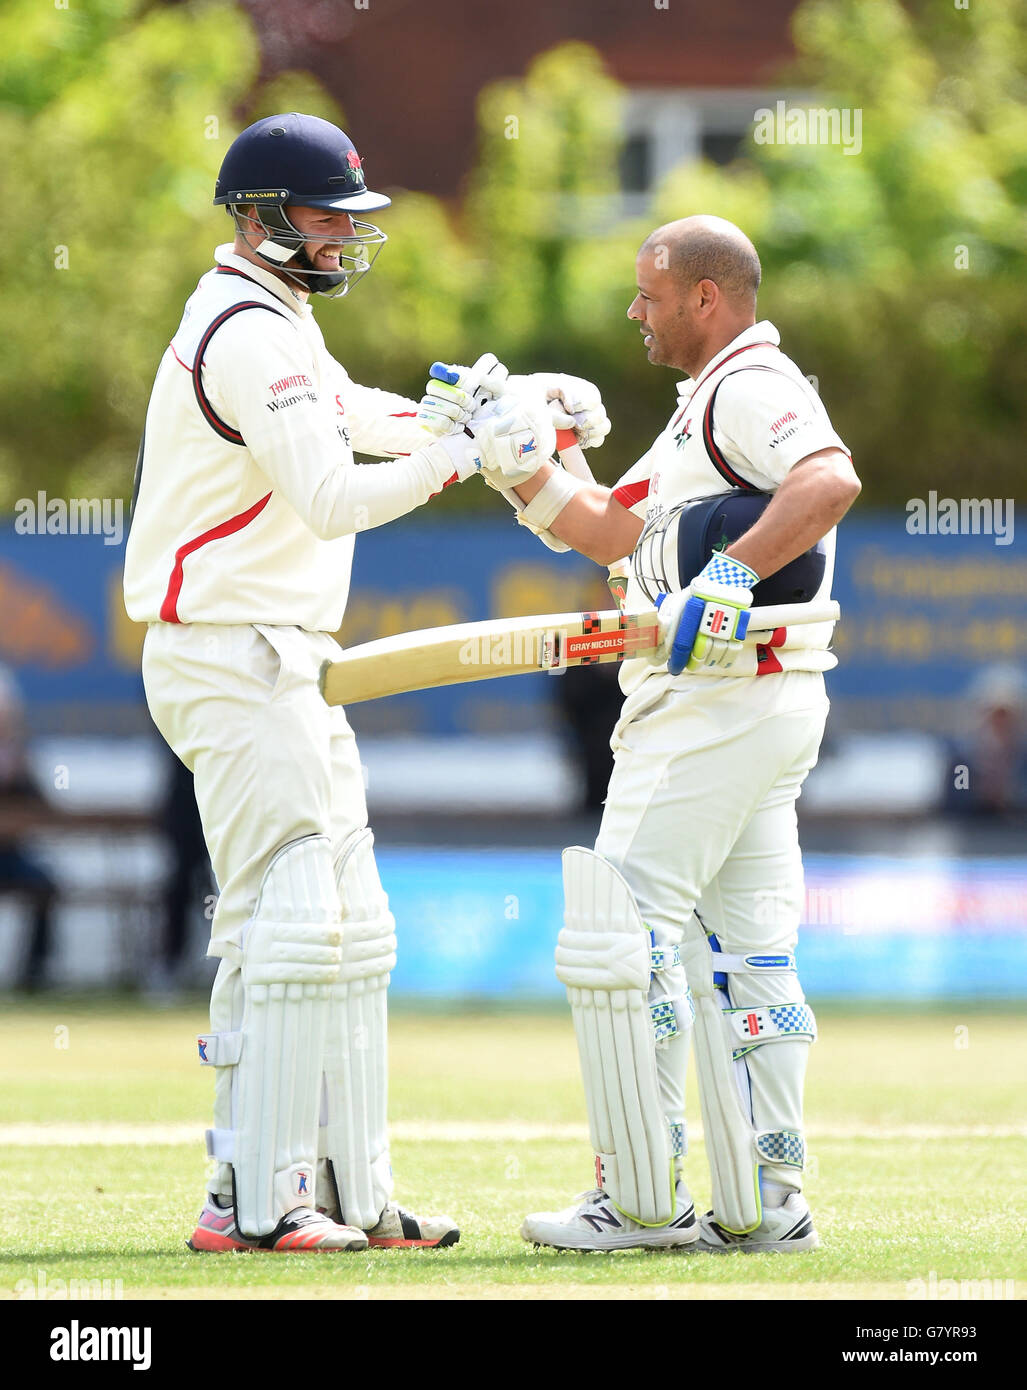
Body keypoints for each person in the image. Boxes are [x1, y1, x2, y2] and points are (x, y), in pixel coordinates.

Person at [123, 112, 564, 1253]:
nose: (343, 238)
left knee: (347, 923)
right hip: (229, 651)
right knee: (282, 918)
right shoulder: (245, 333)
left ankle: (350, 1192)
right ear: (261, 217)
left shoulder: (283, 322)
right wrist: (456, 455)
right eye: (326, 217)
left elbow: (360, 414)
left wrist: (502, 410)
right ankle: (254, 1203)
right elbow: (329, 494)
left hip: (288, 657)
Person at [446, 215, 861, 1252]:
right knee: (748, 955)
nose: (635, 310)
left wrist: (727, 576)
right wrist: (521, 456)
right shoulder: (699, 414)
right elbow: (610, 533)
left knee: (616, 931)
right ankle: (768, 1203)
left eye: (648, 293)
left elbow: (827, 481)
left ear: (705, 297)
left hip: (718, 705)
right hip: (752, 707)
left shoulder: (750, 386)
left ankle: (636, 1201)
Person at [0, 666, 58, 992]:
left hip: (10, 857)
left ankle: (35, 971)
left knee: (45, 884)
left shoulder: (17, 757)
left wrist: (20, 773)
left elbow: (42, 808)